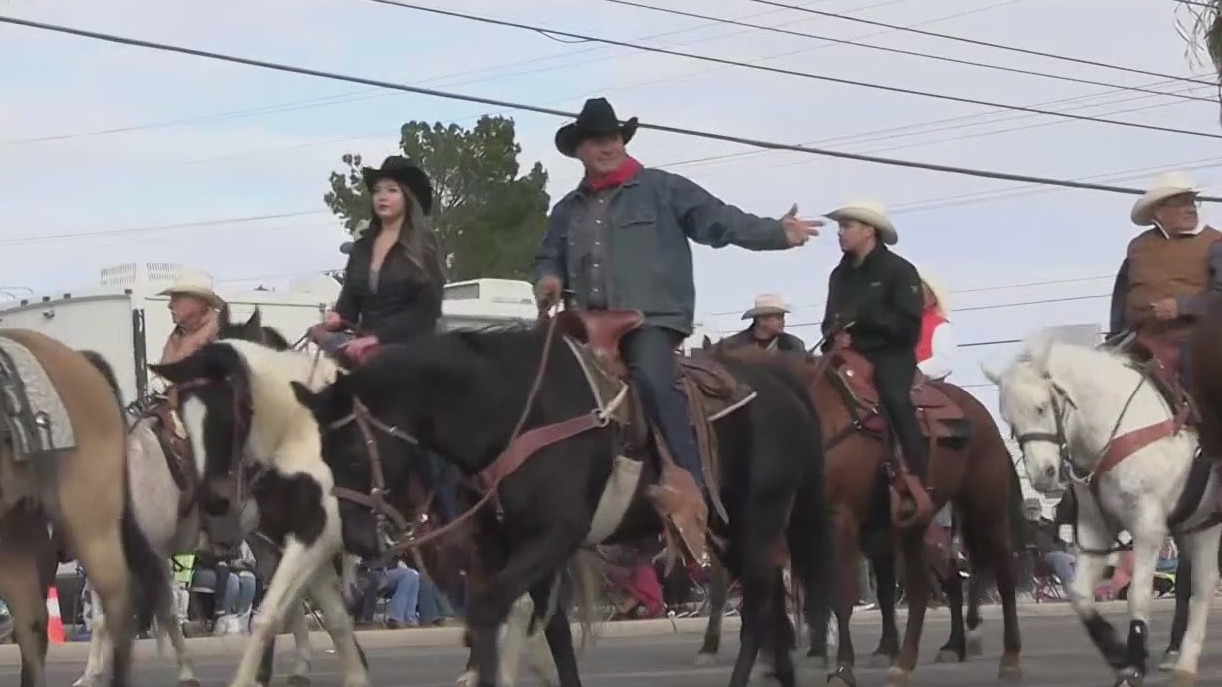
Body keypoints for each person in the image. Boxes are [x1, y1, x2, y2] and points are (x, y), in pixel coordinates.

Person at [533, 97, 821, 565]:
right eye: (595, 141)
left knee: (652, 379)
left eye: (612, 138)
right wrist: (547, 279)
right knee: (547, 385)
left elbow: (721, 221)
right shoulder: (567, 210)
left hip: (651, 319)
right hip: (585, 325)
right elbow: (548, 257)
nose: (606, 147)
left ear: (621, 142)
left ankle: (692, 486)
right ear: (580, 150)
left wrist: (775, 232)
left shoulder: (664, 190)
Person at [820, 199, 929, 525]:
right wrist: (833, 336)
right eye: (840, 226)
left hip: (889, 354)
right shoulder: (839, 275)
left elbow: (908, 325)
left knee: (895, 399)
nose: (840, 233)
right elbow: (828, 321)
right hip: (845, 352)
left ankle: (918, 478)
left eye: (847, 226)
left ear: (869, 230)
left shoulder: (899, 270)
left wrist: (864, 324)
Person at [313, 155, 446, 363]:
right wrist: (337, 317)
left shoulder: (425, 246)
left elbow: (427, 311)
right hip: (363, 349)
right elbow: (349, 302)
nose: (382, 196)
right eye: (377, 191)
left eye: (392, 190)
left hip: (410, 353)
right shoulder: (361, 248)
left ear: (407, 198)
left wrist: (377, 338)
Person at [1108, 171, 1222, 395]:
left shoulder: (1214, 243)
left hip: (1197, 337)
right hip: (1140, 339)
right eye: (1180, 203)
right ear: (1158, 212)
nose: (1190, 209)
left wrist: (1181, 307)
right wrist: (1115, 337)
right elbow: (1120, 301)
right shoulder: (1138, 248)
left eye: (1191, 202)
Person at [153, 273, 226, 440]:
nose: (170, 305)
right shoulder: (177, 335)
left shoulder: (221, 331)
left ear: (197, 302)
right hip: (174, 412)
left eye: (176, 299)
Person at [719, 293, 807, 352]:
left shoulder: (793, 345)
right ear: (762, 319)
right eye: (778, 317)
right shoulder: (733, 345)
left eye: (782, 317)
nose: (783, 322)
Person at [913, 267, 956, 382]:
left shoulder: (939, 325)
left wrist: (917, 371)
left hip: (924, 385)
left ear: (932, 298)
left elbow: (943, 361)